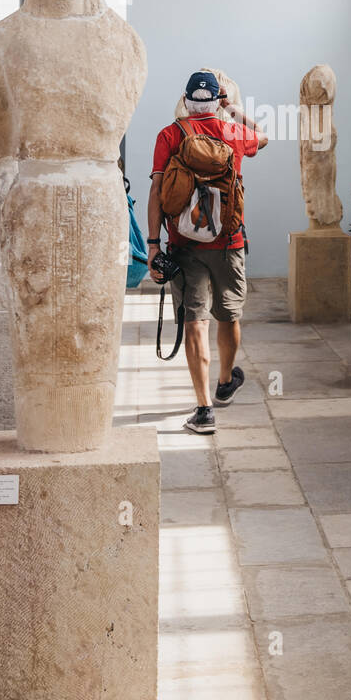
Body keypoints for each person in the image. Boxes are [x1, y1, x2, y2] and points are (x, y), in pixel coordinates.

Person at [148, 71, 268, 434]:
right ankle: (224, 382)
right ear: (219, 101)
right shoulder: (233, 133)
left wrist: (154, 245)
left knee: (194, 322)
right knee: (228, 315)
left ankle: (203, 411)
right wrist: (233, 111)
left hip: (183, 244)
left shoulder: (169, 135)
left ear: (185, 101)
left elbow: (156, 193)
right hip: (228, 243)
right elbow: (264, 137)